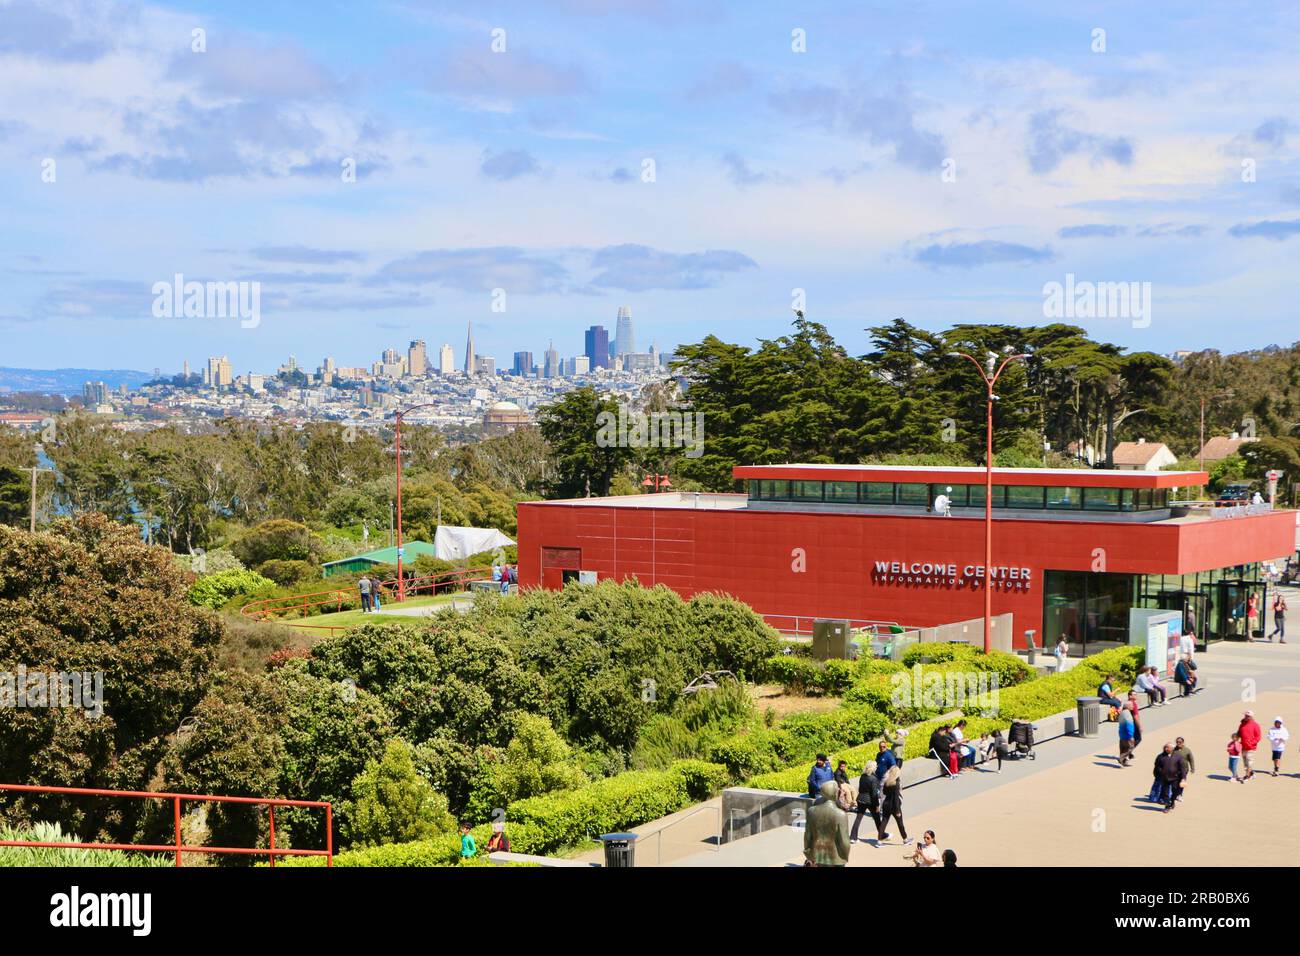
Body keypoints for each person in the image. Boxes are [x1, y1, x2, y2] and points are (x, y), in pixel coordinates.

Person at [803, 779, 851, 867]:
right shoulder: (840, 814)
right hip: (835, 857)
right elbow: (844, 841)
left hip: (816, 854)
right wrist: (845, 856)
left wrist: (807, 850)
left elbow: (807, 835)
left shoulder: (811, 811)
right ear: (835, 793)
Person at [851, 762, 884, 843]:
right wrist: (877, 805)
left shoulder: (862, 776)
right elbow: (874, 794)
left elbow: (860, 789)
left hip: (860, 799)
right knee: (877, 818)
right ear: (872, 768)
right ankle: (882, 835)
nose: (876, 768)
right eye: (875, 766)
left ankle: (853, 837)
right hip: (870, 801)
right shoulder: (873, 778)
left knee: (858, 818)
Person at [877, 764, 908, 845]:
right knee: (900, 823)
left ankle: (879, 840)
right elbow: (896, 798)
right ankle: (905, 839)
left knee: (884, 822)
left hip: (886, 804)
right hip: (894, 806)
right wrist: (897, 810)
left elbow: (884, 792)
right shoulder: (896, 783)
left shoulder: (887, 782)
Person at [1155, 742, 1187, 812]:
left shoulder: (1178, 756)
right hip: (1165, 778)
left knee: (1176, 791)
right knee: (1165, 792)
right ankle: (1167, 806)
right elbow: (1157, 767)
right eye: (1165, 747)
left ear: (1172, 748)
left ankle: (1172, 801)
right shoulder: (1160, 756)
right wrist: (1158, 775)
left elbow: (1182, 768)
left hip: (1176, 777)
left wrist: (1183, 778)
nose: (1166, 749)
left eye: (1167, 747)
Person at [1238, 711, 1262, 780]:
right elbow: (1239, 733)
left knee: (1249, 762)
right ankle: (1252, 774)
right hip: (1243, 746)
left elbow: (1258, 737)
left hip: (1251, 747)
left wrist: (1251, 743)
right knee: (1245, 763)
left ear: (1251, 717)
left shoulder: (1255, 725)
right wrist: (1236, 740)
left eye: (1247, 716)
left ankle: (1247, 776)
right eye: (1245, 715)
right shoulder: (1242, 724)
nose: (1245, 717)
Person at [1173, 737, 1195, 802]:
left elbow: (1191, 760)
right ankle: (1174, 794)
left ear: (1183, 742)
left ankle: (1179, 795)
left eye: (1180, 742)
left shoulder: (1187, 750)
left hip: (1184, 770)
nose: (1178, 743)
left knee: (1182, 783)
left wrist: (1192, 768)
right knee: (1174, 783)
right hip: (1175, 769)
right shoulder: (1173, 750)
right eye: (1177, 742)